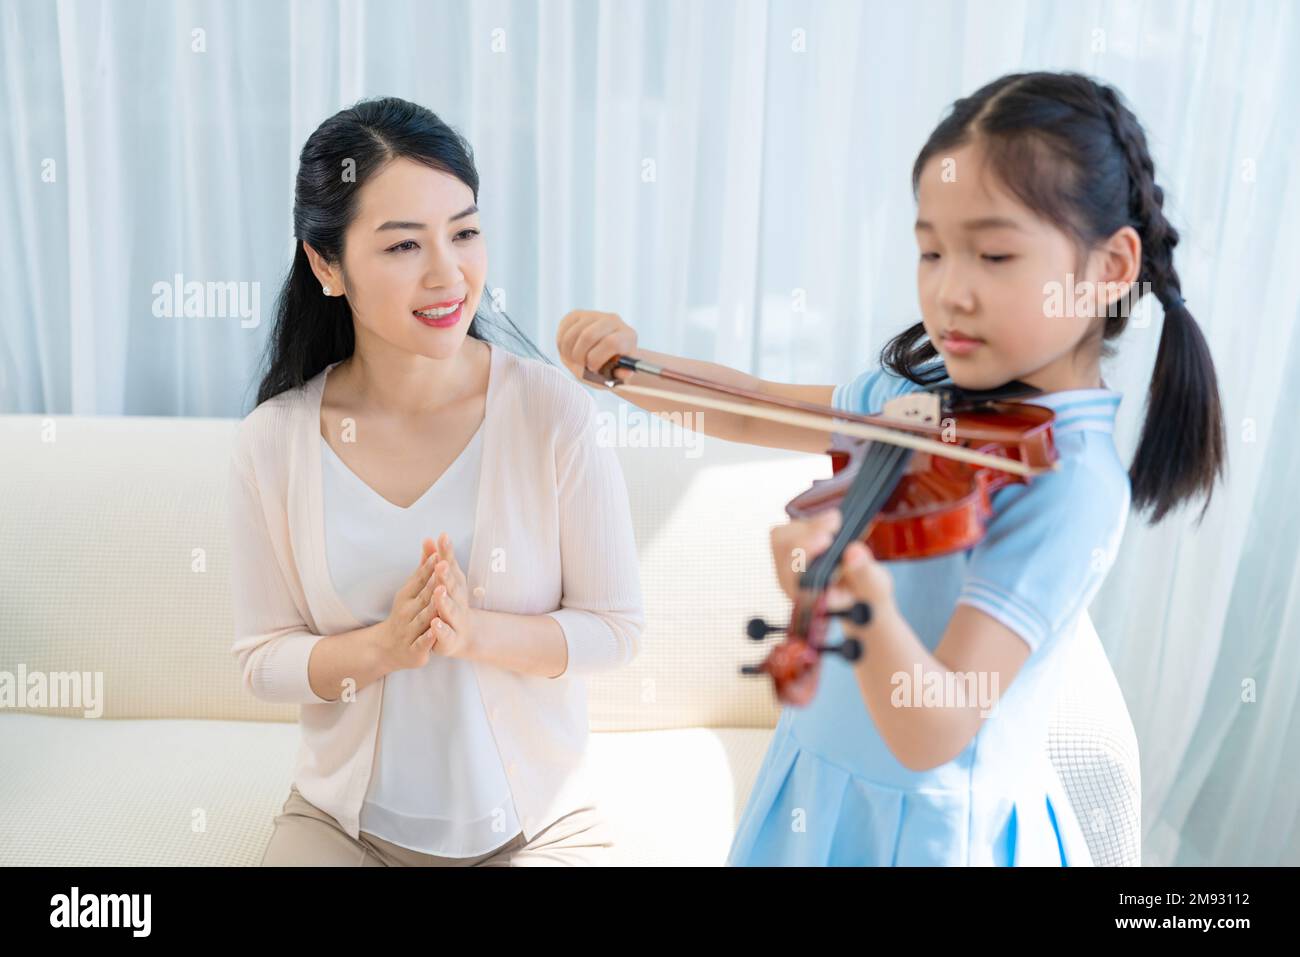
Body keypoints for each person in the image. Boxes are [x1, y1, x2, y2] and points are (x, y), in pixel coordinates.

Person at [557, 71, 1224, 865]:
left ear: (1112, 267)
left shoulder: (1070, 486)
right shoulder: (922, 398)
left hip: (928, 831)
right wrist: (628, 369)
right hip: (819, 781)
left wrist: (858, 604)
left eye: (995, 253)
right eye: (931, 251)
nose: (949, 292)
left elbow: (934, 726)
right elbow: (754, 408)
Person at [228, 96, 644, 866]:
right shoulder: (273, 442)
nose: (448, 272)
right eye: (402, 246)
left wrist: (474, 633)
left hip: (540, 822)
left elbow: (617, 628)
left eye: (464, 231)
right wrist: (383, 646)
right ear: (326, 264)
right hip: (341, 825)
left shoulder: (550, 411)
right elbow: (262, 657)